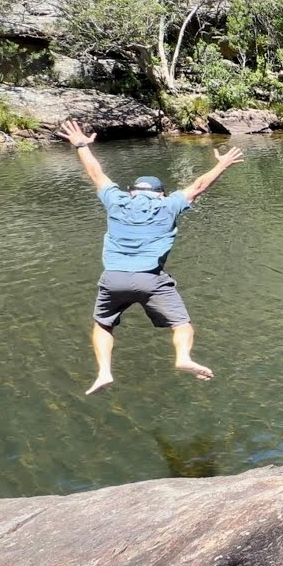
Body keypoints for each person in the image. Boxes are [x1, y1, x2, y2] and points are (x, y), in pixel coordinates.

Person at [58, 120, 245, 395]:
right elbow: (198, 186)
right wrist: (222, 164)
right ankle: (182, 357)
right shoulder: (168, 205)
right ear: (160, 193)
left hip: (114, 279)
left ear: (132, 191)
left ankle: (104, 372)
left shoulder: (116, 200)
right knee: (181, 325)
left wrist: (82, 145)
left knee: (103, 324)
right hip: (150, 280)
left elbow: (95, 173)